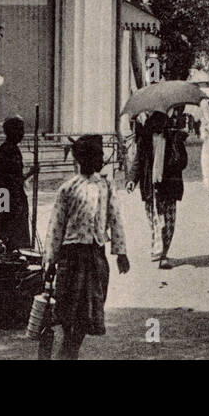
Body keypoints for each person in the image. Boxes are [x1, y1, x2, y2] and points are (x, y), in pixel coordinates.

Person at [41, 135, 129, 359]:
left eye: (101, 156)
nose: (101, 160)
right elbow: (56, 227)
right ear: (83, 159)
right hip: (70, 257)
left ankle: (69, 351)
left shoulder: (106, 185)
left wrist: (121, 252)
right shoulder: (68, 189)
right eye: (96, 155)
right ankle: (68, 351)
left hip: (94, 257)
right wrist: (50, 261)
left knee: (88, 311)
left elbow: (115, 217)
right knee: (67, 310)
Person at [127, 110, 188, 269]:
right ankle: (160, 253)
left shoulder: (174, 138)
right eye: (155, 124)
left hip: (169, 186)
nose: (158, 127)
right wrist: (132, 180)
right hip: (150, 186)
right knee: (155, 221)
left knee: (168, 222)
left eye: (161, 124)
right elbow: (138, 162)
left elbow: (183, 163)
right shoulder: (145, 141)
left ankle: (162, 252)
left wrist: (178, 146)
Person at [0, 115, 33, 252]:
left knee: (7, 231)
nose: (22, 134)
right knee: (8, 232)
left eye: (22, 130)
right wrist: (31, 173)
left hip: (6, 196)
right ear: (10, 131)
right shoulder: (9, 150)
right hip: (6, 197)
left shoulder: (9, 149)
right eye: (19, 130)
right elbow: (12, 179)